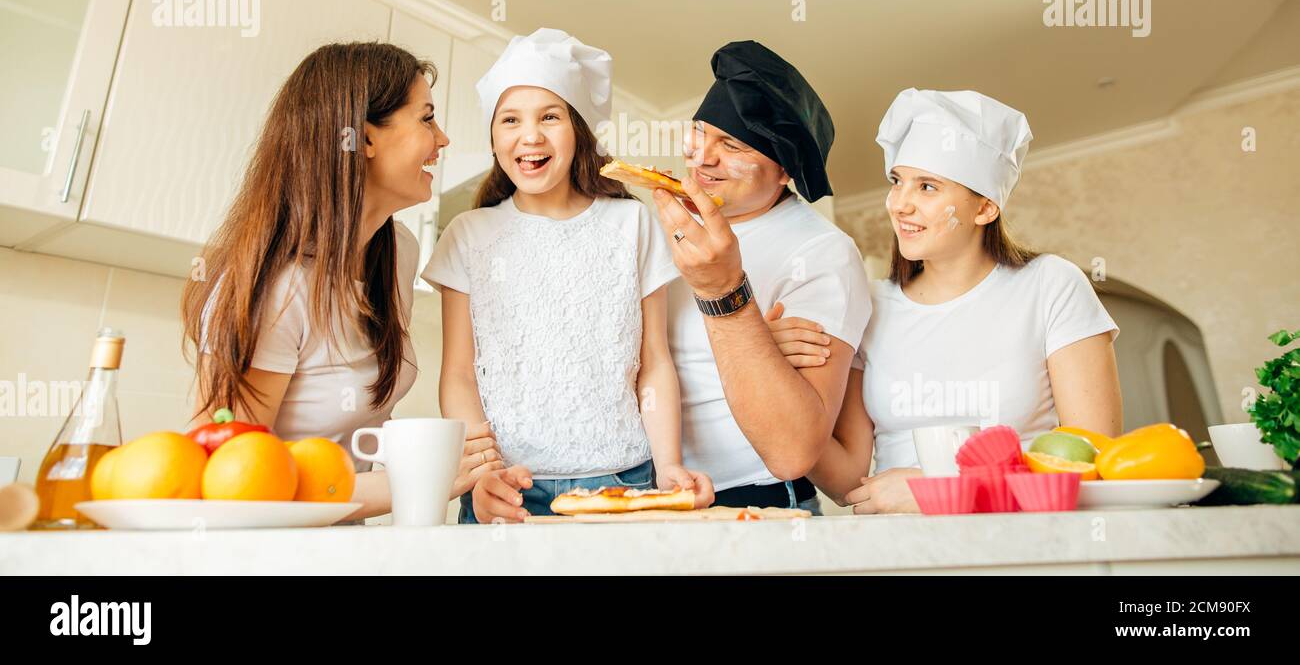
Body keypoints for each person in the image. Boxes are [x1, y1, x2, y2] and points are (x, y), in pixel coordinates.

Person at [183, 42, 502, 521]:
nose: (443, 140)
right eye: (426, 119)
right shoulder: (278, 286)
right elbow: (228, 479)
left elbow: (357, 430)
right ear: (364, 138)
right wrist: (415, 478)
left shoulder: (397, 255)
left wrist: (447, 461)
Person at [423, 28, 713, 522]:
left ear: (577, 130)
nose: (530, 135)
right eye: (510, 119)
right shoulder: (468, 236)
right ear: (494, 137)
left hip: (625, 483)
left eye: (550, 117)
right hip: (508, 489)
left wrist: (668, 464)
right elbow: (458, 374)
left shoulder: (631, 223)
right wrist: (483, 472)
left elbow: (654, 363)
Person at [805, 88, 1123, 514]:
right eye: (896, 182)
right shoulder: (871, 304)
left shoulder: (1050, 285)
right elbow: (849, 482)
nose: (900, 204)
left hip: (1025, 545)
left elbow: (1094, 458)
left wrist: (940, 489)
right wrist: (776, 373)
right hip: (900, 551)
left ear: (985, 208)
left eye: (928, 187)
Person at [650, 40, 873, 511]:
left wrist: (738, 318)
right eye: (700, 135)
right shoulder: (661, 226)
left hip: (757, 504)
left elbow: (794, 450)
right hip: (655, 495)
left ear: (785, 169)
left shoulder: (822, 253)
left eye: (730, 144)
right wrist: (763, 346)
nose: (701, 159)